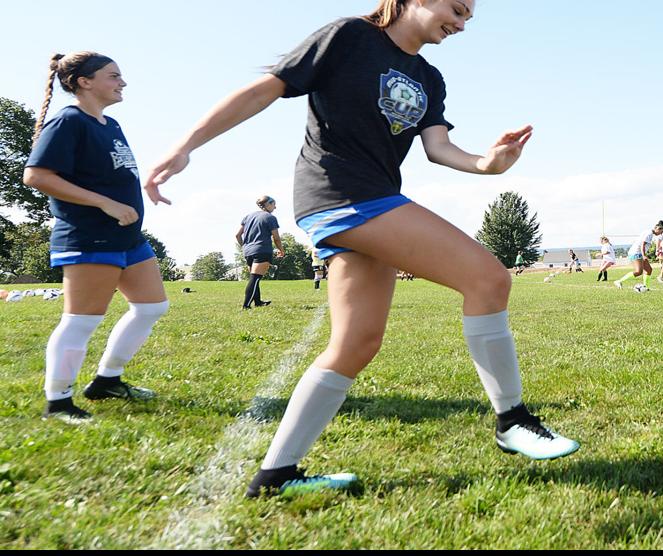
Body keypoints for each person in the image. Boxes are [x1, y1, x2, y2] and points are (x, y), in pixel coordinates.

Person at [143, 0, 580, 498]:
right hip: (340, 194)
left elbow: (437, 149)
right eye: (456, 10)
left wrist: (489, 164)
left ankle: (275, 476)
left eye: (468, 19)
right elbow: (265, 88)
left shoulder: (429, 78)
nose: (461, 25)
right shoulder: (349, 36)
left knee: (356, 343)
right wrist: (185, 146)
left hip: (375, 198)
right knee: (489, 277)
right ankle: (512, 420)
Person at [23, 51, 169, 424]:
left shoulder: (111, 124)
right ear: (84, 82)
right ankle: (58, 402)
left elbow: (112, 172)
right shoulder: (69, 122)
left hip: (128, 238)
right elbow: (37, 176)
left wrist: (145, 186)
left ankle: (106, 381)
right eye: (113, 75)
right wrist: (105, 203)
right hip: (89, 237)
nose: (122, 82)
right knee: (82, 320)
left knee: (152, 307)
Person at [235, 194, 285, 308]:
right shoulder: (270, 217)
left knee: (254, 277)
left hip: (248, 252)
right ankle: (246, 306)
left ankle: (258, 302)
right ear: (268, 204)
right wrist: (281, 250)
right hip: (262, 250)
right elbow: (276, 238)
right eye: (274, 204)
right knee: (255, 278)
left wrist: (245, 246)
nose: (275, 207)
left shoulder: (248, 216)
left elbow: (238, 235)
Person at [614, 223, 662, 292]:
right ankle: (619, 281)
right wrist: (644, 255)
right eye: (661, 232)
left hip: (639, 253)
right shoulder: (649, 234)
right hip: (636, 253)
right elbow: (642, 244)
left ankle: (646, 287)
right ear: (657, 228)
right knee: (639, 271)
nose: (660, 234)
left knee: (649, 270)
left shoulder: (649, 232)